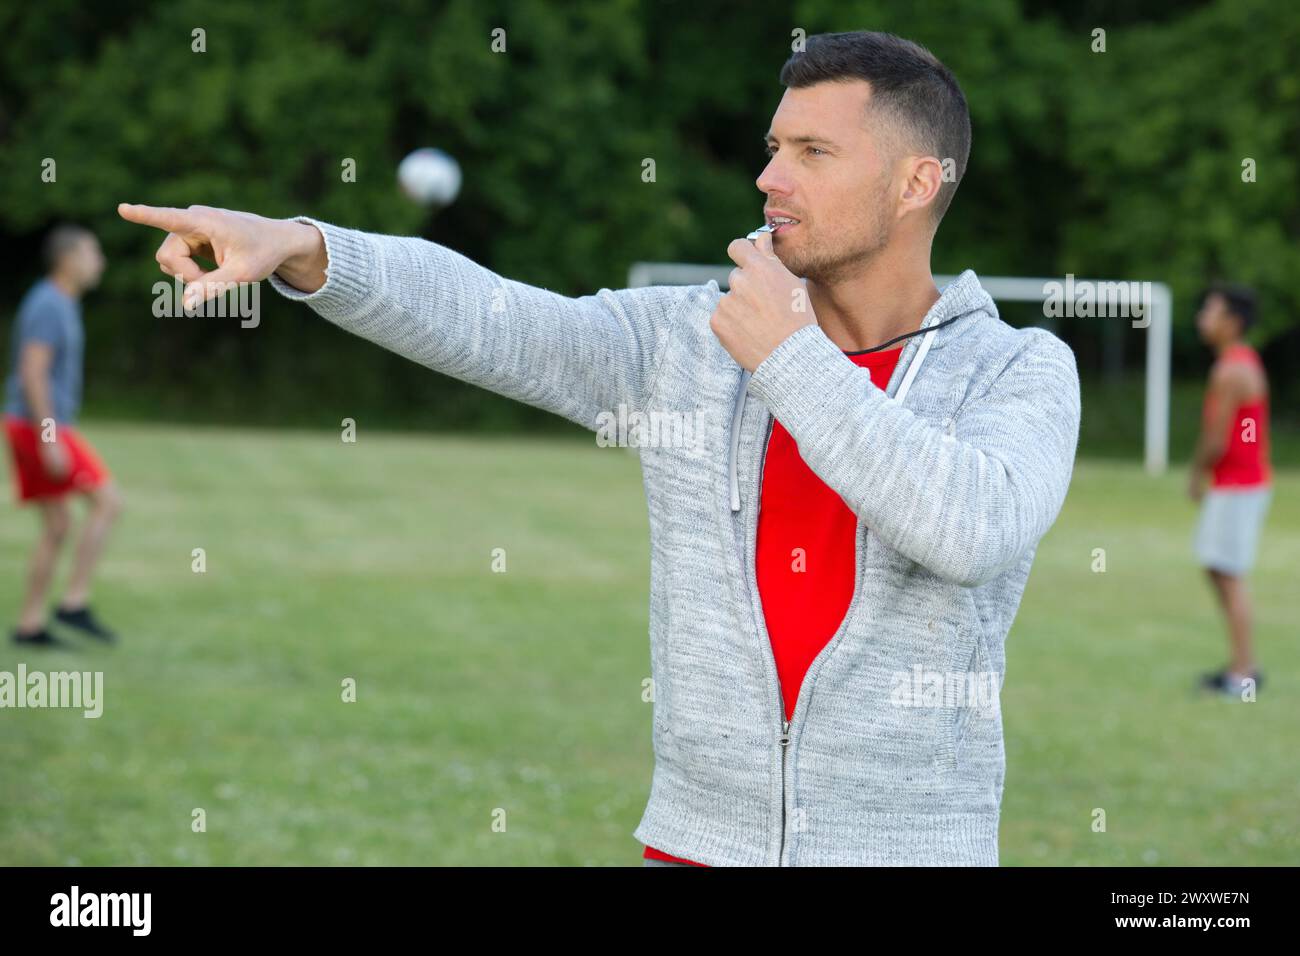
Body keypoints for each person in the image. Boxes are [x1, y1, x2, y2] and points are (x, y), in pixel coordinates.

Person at [118, 30, 1081, 865]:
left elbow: (968, 526)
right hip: (697, 848)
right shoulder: (688, 339)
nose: (769, 179)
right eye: (773, 147)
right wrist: (301, 244)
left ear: (918, 182)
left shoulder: (1019, 370)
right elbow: (497, 320)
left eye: (813, 152)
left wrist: (789, 356)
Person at [4, 224, 123, 647]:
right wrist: (50, 436)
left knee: (57, 525)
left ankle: (29, 625)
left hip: (35, 424)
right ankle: (73, 603)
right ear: (68, 259)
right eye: (93, 253)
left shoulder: (61, 302)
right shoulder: (50, 304)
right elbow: (32, 371)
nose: (100, 262)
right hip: (38, 424)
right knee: (108, 502)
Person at [1189, 284, 1271, 698]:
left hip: (1237, 486)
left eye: (1210, 310)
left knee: (1229, 574)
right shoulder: (1240, 362)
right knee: (1218, 568)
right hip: (1240, 485)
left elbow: (1218, 438)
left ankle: (1244, 674)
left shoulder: (1230, 370)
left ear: (1232, 322)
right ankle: (1244, 664)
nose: (1203, 317)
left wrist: (1194, 473)